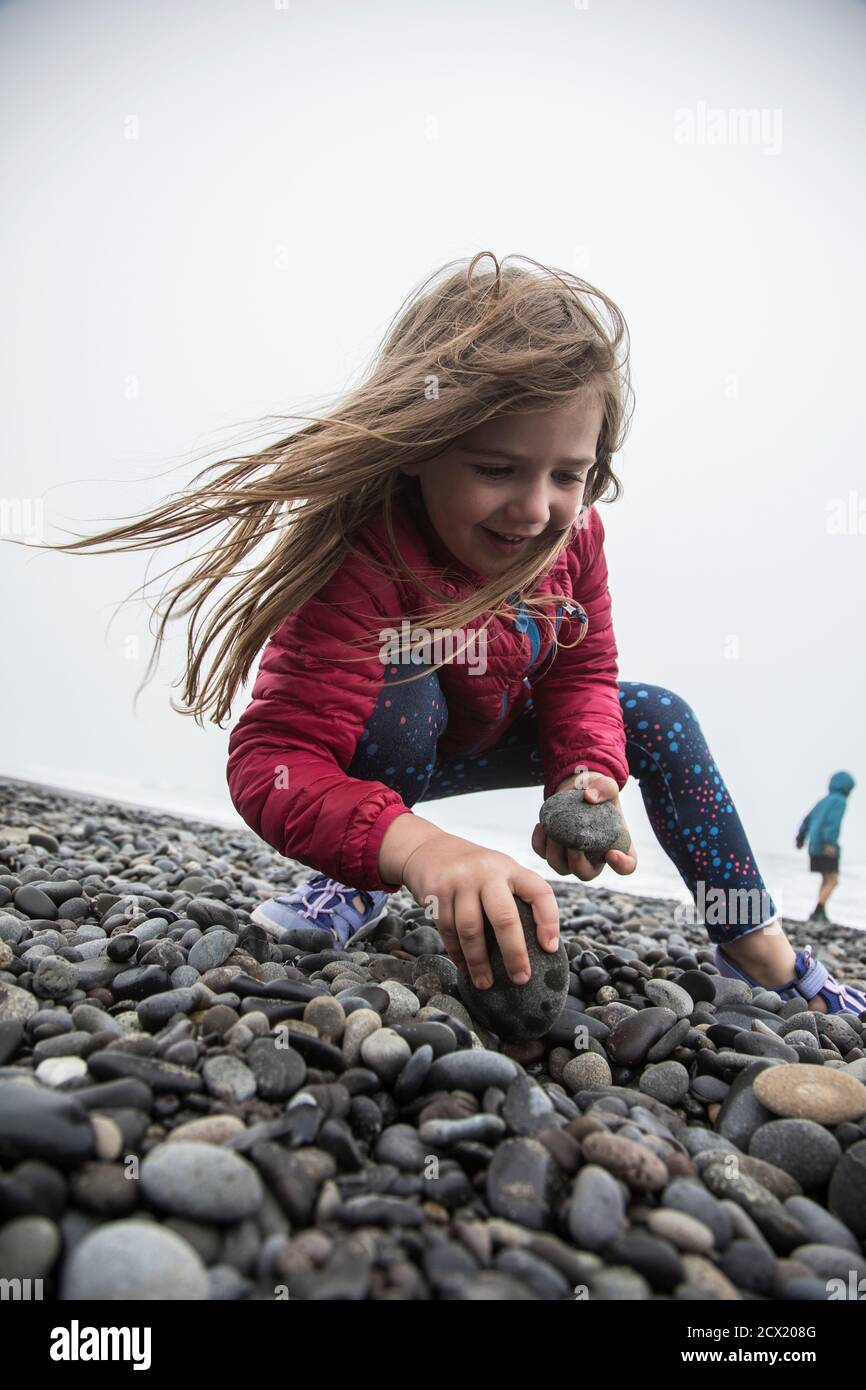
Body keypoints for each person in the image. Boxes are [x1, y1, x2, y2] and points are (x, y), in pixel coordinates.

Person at [41, 252, 866, 1017]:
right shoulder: (366, 550)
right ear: (417, 446)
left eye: (568, 475)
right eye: (497, 469)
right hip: (384, 754)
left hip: (486, 733)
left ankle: (757, 947)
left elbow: (582, 672)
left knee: (656, 712)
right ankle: (356, 877)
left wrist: (582, 775)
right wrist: (420, 849)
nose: (536, 508)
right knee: (404, 681)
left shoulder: (572, 540)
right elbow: (277, 758)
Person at [796, 771, 856, 925]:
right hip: (825, 845)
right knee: (833, 879)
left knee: (826, 878)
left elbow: (807, 819)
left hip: (814, 845)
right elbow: (832, 823)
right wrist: (829, 843)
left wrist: (800, 838)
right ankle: (819, 909)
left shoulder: (824, 800)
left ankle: (820, 911)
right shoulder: (840, 801)